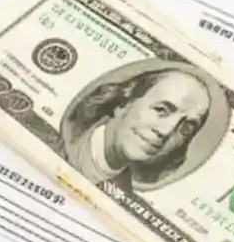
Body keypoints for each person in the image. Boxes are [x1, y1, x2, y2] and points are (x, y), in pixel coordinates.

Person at [62, 67, 212, 193]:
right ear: (123, 103)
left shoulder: (123, 195)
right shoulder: (63, 140)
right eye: (161, 110)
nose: (166, 131)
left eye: (186, 128)